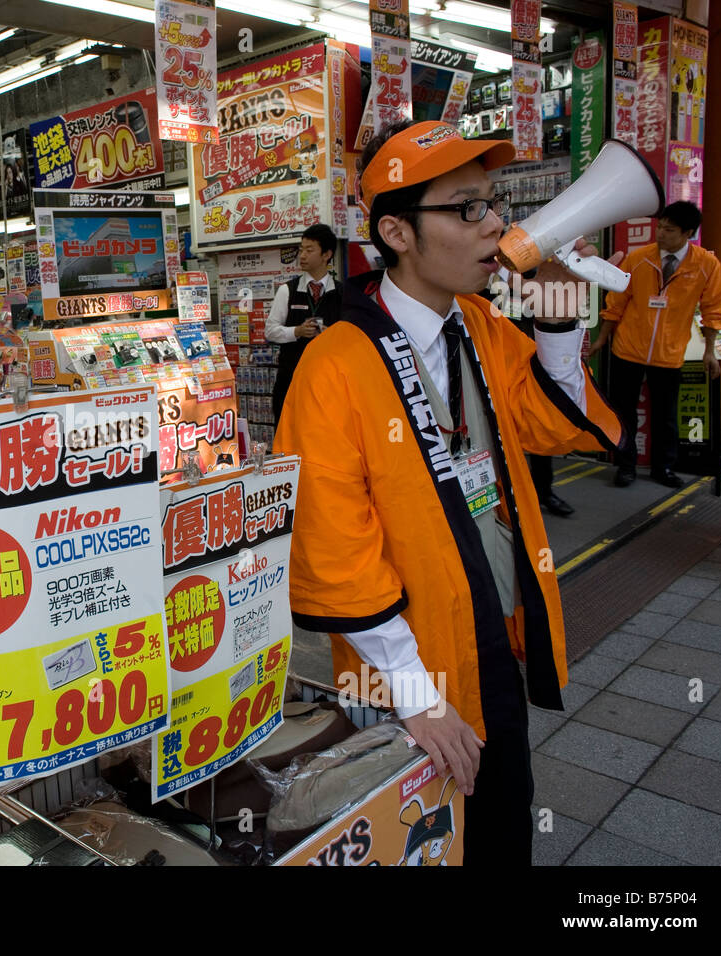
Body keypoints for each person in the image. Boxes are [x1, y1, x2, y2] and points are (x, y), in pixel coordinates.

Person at [275, 120, 623, 864]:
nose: (495, 223)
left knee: (501, 820)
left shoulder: (483, 323)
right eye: (466, 208)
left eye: (491, 203)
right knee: (424, 839)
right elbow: (333, 546)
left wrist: (558, 330)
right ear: (397, 231)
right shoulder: (333, 363)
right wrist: (417, 695)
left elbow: (553, 428)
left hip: (494, 629)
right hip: (407, 659)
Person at [590, 201, 721, 488]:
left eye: (669, 230)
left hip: (669, 354)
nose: (661, 234)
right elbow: (616, 301)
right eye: (660, 227)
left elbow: (715, 308)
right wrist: (603, 337)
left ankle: (663, 468)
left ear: (687, 233)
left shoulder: (706, 265)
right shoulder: (639, 258)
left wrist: (710, 351)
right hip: (627, 350)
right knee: (623, 411)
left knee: (666, 416)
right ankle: (625, 465)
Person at [266, 223, 342, 424]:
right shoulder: (287, 291)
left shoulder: (342, 294)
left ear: (326, 254)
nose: (303, 255)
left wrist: (331, 335)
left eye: (310, 250)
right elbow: (270, 331)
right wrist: (297, 332)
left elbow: (353, 338)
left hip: (329, 382)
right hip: (291, 380)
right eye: (301, 249)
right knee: (288, 435)